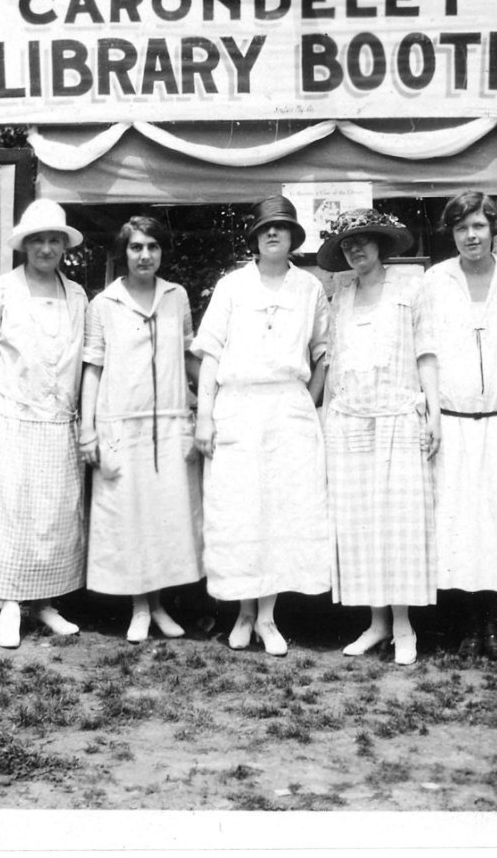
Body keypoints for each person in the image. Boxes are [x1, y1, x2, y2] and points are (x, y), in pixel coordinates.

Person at [192, 196, 330, 657]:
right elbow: (210, 354)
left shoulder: (309, 288)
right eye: (265, 228)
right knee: (239, 511)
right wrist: (205, 417)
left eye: (282, 228)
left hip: (287, 409)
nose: (273, 234)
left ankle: (268, 617)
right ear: (255, 237)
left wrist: (304, 406)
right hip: (238, 407)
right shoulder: (232, 286)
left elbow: (322, 353)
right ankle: (242, 613)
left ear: (293, 237)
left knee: (281, 513)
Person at [421, 191, 497, 662]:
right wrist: (433, 413)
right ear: (451, 234)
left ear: (494, 228)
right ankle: (466, 627)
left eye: (478, 226)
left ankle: (494, 626)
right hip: (453, 424)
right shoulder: (435, 281)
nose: (470, 236)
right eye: (460, 228)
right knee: (459, 526)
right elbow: (427, 353)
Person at [316, 209, 440, 665]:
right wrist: (329, 416)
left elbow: (427, 353)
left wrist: (434, 414)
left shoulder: (410, 289)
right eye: (348, 245)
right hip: (350, 421)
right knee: (360, 523)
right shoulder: (340, 295)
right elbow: (333, 364)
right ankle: (376, 624)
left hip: (398, 418)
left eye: (364, 240)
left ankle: (404, 625)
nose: (356, 249)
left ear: (381, 244)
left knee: (399, 523)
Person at [0, 199, 88, 649]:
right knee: (11, 512)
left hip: (58, 421)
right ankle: (11, 605)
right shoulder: (2, 289)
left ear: (63, 246)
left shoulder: (76, 294)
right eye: (38, 239)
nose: (46, 247)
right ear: (25, 245)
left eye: (54, 239)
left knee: (55, 514)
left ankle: (45, 605)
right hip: (11, 417)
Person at [80, 216, 203, 643]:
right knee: (129, 517)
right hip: (120, 425)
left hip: (170, 423)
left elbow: (188, 356)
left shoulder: (176, 296)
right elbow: (92, 370)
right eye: (136, 247)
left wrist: (215, 395)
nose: (145, 254)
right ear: (123, 252)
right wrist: (88, 431)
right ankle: (139, 605)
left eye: (152, 246)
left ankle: (159, 605)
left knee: (164, 517)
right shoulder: (104, 304)